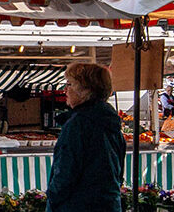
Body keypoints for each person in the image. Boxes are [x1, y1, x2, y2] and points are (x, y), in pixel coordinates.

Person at [45, 63, 124, 212]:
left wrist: (53, 199)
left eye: (70, 84)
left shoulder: (78, 124)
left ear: (86, 89)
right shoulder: (111, 121)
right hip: (108, 203)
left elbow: (65, 173)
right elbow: (119, 171)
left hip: (78, 204)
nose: (65, 90)